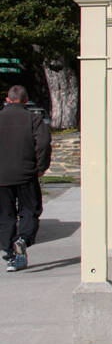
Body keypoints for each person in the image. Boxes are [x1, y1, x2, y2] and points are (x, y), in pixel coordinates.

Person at [0, 85, 51, 272]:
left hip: (2, 177)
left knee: (5, 216)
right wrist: (40, 166)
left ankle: (10, 254)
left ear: (7, 100)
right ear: (25, 99)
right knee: (29, 210)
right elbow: (44, 143)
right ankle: (23, 239)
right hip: (26, 174)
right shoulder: (33, 119)